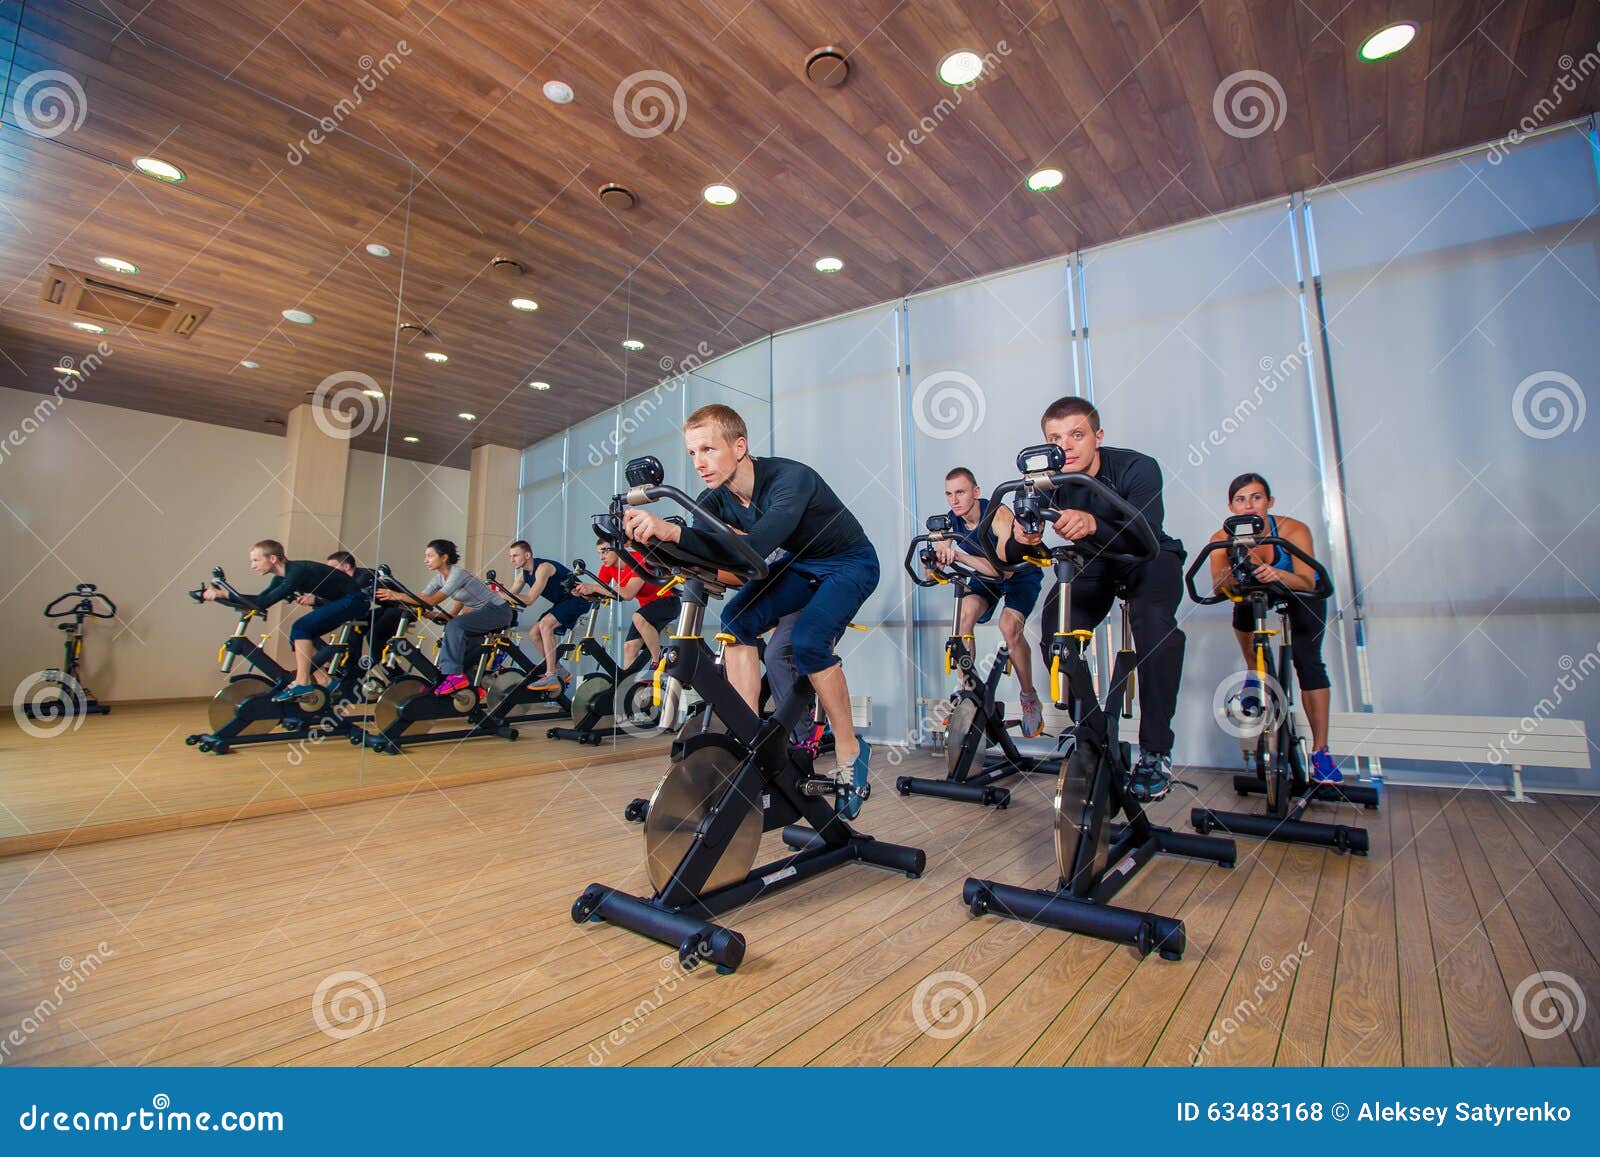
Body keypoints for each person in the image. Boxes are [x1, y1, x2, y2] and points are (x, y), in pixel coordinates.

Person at [621, 404, 877, 817]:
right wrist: (649, 542)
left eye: (708, 449)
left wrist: (674, 531)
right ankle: (749, 733)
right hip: (802, 565)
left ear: (739, 447)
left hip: (850, 563)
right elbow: (709, 558)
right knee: (736, 620)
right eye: (692, 453)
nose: (699, 463)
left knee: (810, 642)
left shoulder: (791, 480)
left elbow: (753, 548)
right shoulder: (713, 500)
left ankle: (850, 751)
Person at [1006, 396, 1187, 803]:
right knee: (1056, 630)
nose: (1066, 446)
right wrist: (1023, 538)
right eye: (1055, 438)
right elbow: (1018, 553)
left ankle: (1156, 752)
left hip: (1147, 556)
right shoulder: (1049, 481)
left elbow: (1146, 533)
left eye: (1076, 435)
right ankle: (1090, 736)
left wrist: (1091, 523)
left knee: (1153, 624)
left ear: (1097, 437)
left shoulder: (1137, 467)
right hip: (1095, 563)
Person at [1209, 472, 1340, 784]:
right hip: (1257, 591)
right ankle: (1254, 672)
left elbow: (1307, 580)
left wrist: (1275, 575)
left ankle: (1321, 752)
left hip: (1301, 591)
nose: (1248, 506)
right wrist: (1232, 572)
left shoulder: (1293, 530)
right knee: (1242, 605)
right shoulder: (1221, 539)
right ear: (1231, 505)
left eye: (1256, 498)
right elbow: (1217, 587)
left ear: (1269, 501)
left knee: (1308, 661)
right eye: (1241, 500)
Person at [937, 467, 1045, 738]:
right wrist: (936, 558)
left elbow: (1001, 570)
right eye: (949, 494)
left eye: (960, 492)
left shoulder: (998, 515)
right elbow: (933, 568)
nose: (954, 500)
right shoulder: (951, 521)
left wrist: (958, 556)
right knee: (965, 616)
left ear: (976, 492)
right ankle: (967, 690)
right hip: (985, 575)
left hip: (1019, 573)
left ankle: (1029, 697)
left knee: (1009, 627)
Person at [202, 539, 366, 702]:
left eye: (256, 560)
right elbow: (260, 600)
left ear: (272, 558)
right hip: (342, 601)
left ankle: (303, 682)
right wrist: (220, 596)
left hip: (356, 600)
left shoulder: (296, 572)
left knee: (301, 627)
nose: (252, 565)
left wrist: (224, 594)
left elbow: (263, 603)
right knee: (298, 636)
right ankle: (326, 682)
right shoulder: (280, 578)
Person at [374, 539, 515, 695]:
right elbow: (422, 598)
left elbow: (432, 600)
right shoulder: (439, 579)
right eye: (425, 556)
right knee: (460, 638)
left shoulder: (458, 574)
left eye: (430, 556)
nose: (425, 560)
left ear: (444, 557)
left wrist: (396, 595)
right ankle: (471, 685)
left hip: (498, 611)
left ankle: (455, 675)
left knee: (455, 626)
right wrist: (421, 610)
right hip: (481, 614)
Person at [573, 540, 681, 673]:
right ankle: (629, 686)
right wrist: (582, 592)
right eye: (599, 553)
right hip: (647, 609)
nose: (602, 557)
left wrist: (595, 587)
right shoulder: (607, 568)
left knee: (638, 617)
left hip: (669, 602)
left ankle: (658, 660)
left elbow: (628, 593)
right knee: (629, 647)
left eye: (605, 551)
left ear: (618, 548)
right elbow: (599, 593)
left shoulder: (638, 560)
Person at [505, 540, 588, 692]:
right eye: (510, 556)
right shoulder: (523, 575)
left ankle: (551, 674)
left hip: (578, 599)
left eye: (515, 556)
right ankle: (560, 671)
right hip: (562, 602)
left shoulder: (543, 568)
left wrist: (502, 595)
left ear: (527, 555)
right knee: (534, 633)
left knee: (545, 625)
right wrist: (492, 596)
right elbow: (510, 595)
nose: (512, 560)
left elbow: (529, 599)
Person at [323, 550, 405, 669]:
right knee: (355, 625)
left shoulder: (365, 576)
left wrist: (316, 601)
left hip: (402, 608)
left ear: (346, 566)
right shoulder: (350, 581)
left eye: (332, 568)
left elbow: (347, 597)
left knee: (374, 636)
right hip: (388, 608)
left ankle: (394, 672)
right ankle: (351, 667)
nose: (329, 572)